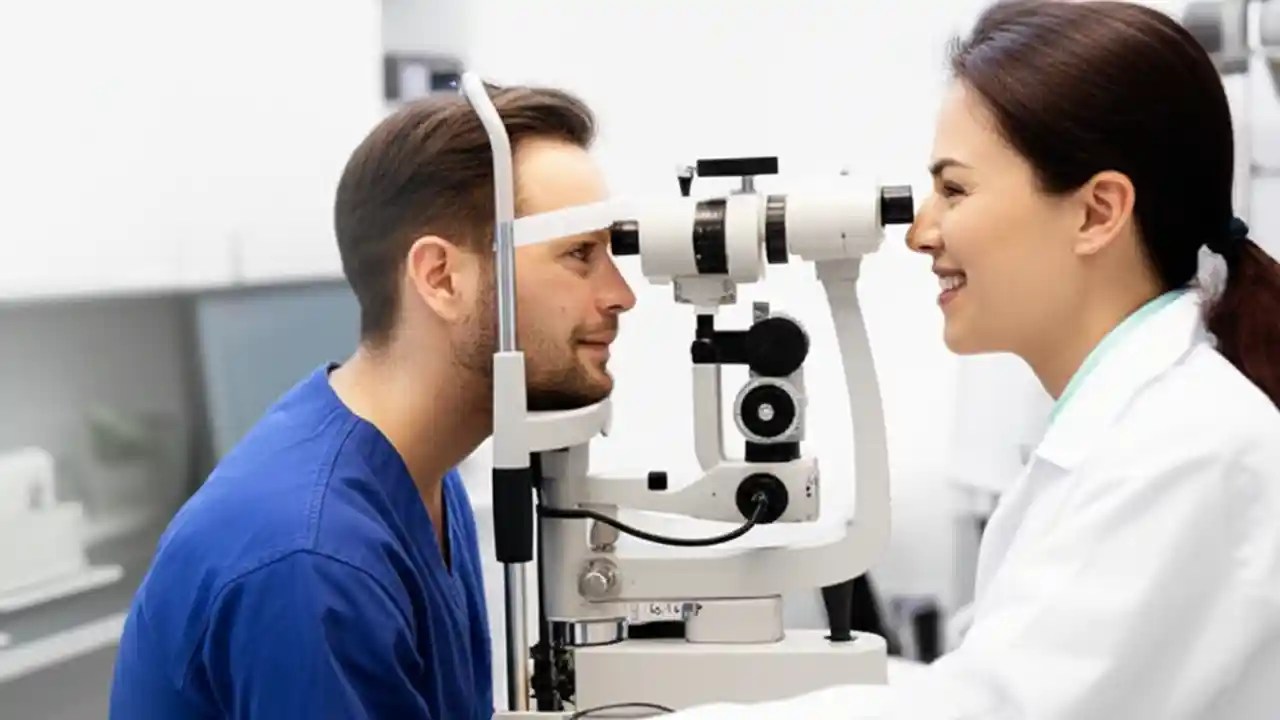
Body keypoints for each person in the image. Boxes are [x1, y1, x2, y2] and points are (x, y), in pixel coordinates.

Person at [669, 1, 1280, 718]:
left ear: (1097, 212)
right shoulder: (1132, 431)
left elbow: (991, 711)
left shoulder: (1187, 450)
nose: (920, 233)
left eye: (954, 189)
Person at [109, 84, 636, 718]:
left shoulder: (424, 482)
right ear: (441, 277)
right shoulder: (314, 559)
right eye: (579, 254)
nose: (621, 294)